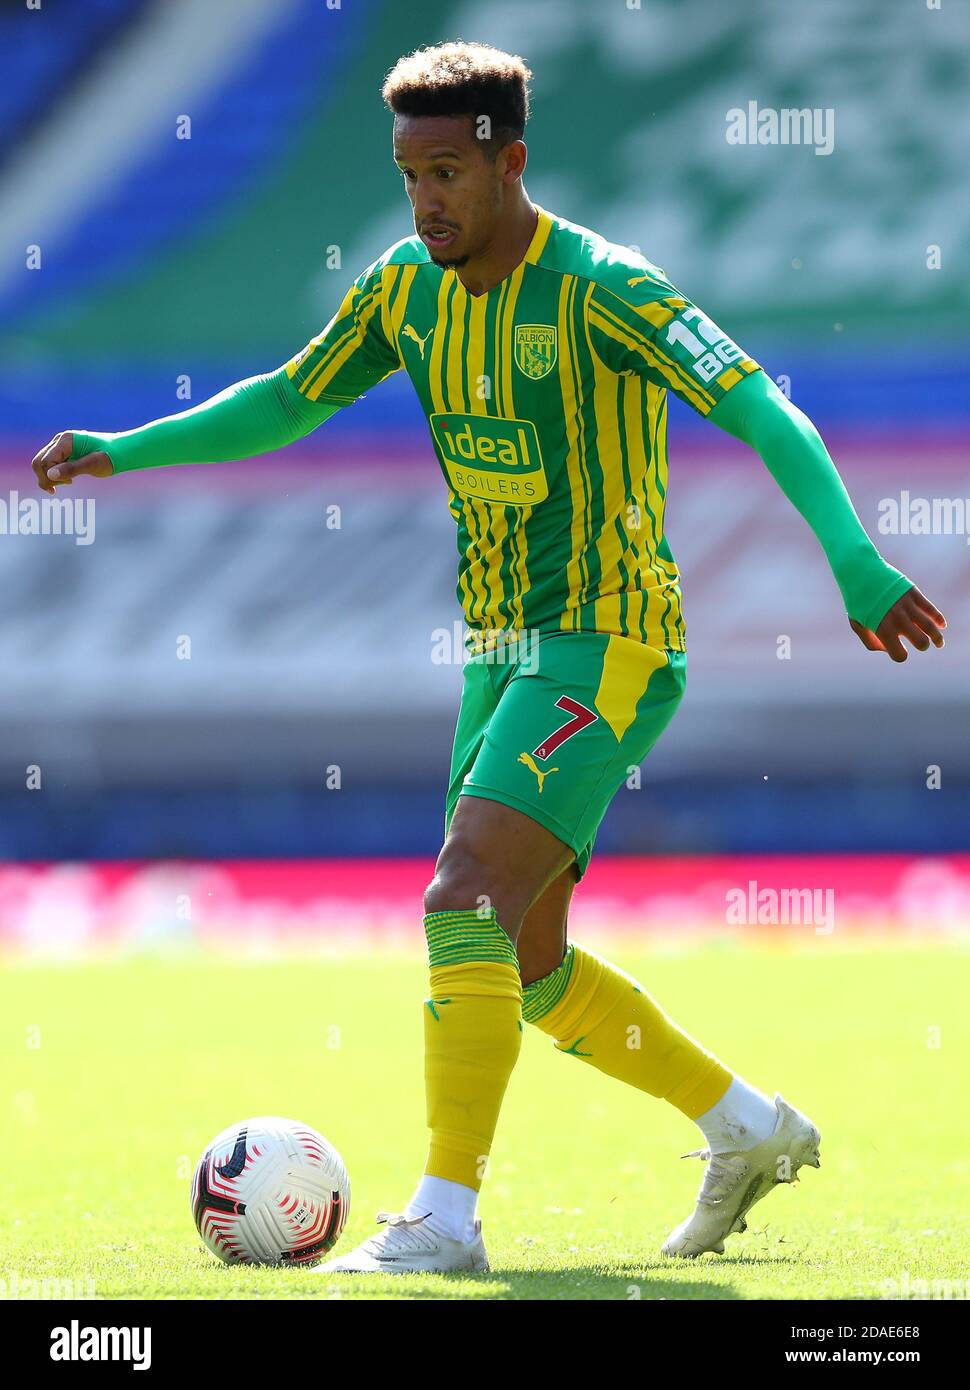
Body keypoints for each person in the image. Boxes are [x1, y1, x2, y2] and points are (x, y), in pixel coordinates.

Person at [32, 41, 946, 1275]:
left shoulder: (607, 288)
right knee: (522, 957)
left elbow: (759, 406)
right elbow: (290, 398)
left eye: (449, 173)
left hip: (611, 637)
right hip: (497, 653)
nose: (426, 202)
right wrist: (123, 449)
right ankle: (748, 1128)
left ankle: (444, 1220)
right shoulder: (405, 288)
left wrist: (850, 557)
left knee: (457, 893)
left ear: (512, 162)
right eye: (411, 175)